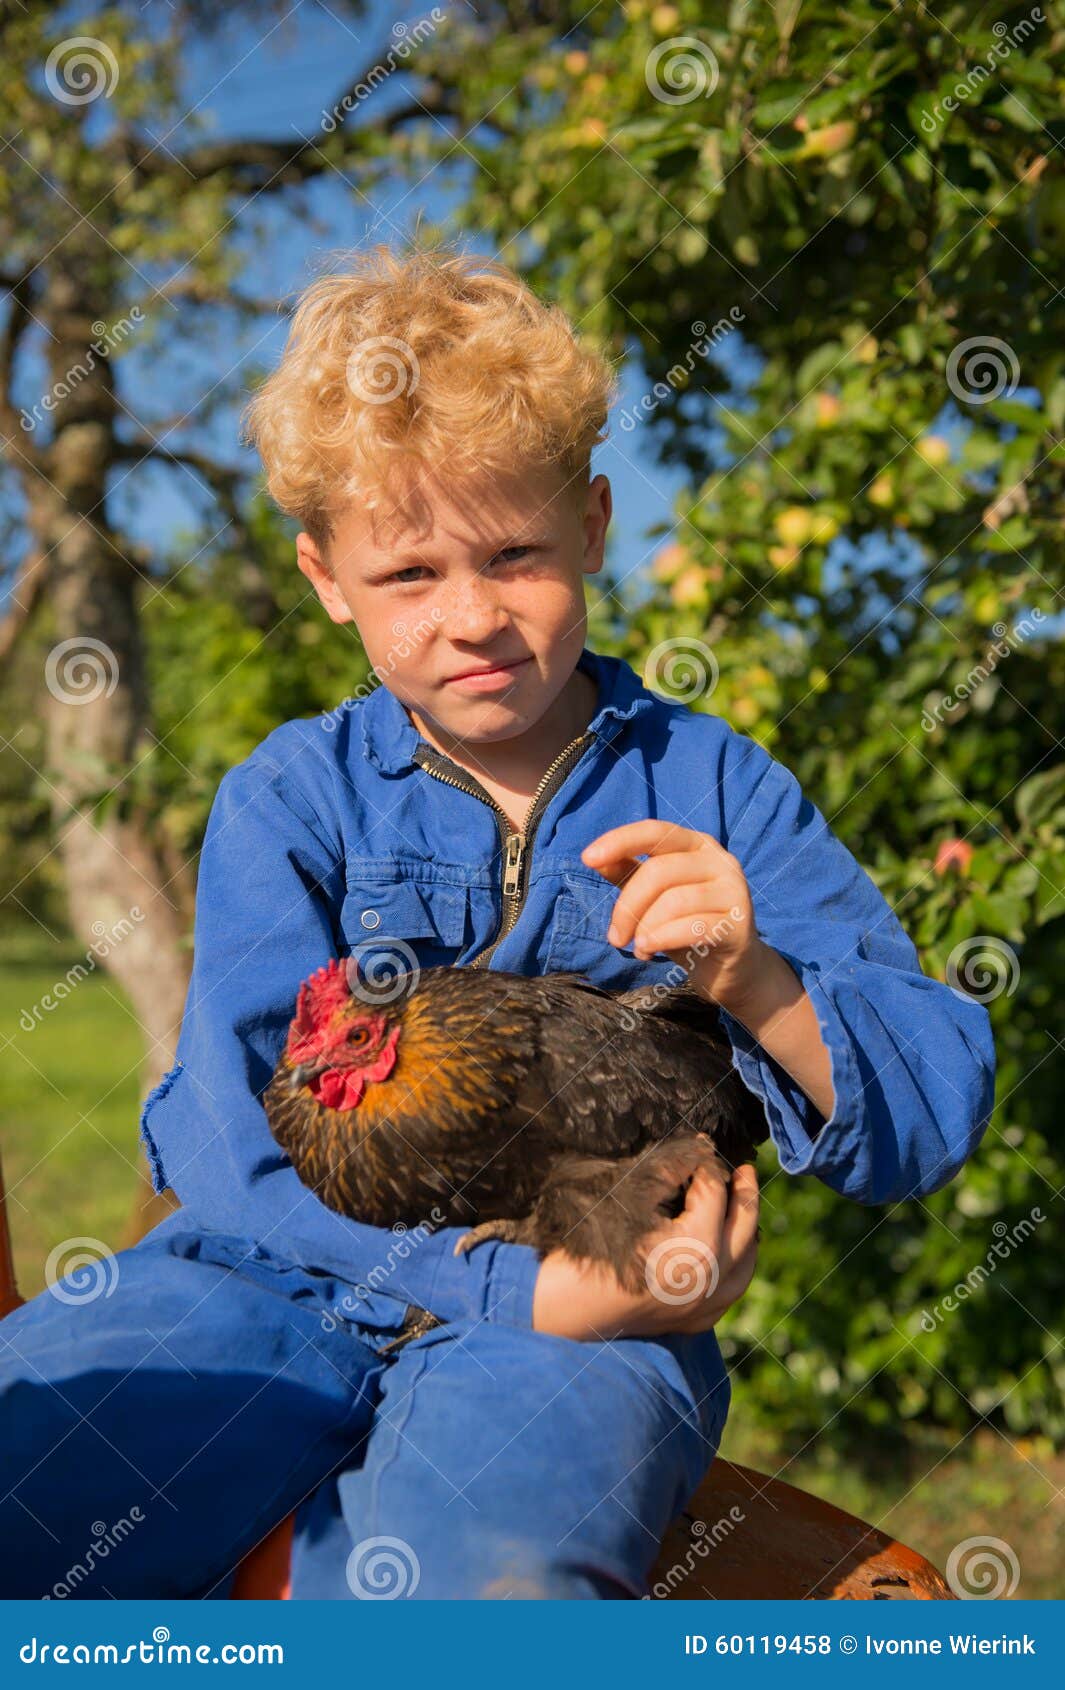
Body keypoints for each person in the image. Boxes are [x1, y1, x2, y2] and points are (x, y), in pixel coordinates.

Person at [0, 243, 994, 1601]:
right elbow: (231, 1140)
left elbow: (929, 1107)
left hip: (589, 1314)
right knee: (29, 1478)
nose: (471, 614)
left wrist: (755, 977)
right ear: (325, 578)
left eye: (513, 553)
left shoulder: (712, 785)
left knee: (481, 1586)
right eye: (409, 573)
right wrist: (503, 1289)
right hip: (266, 1271)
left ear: (591, 525)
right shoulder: (293, 794)